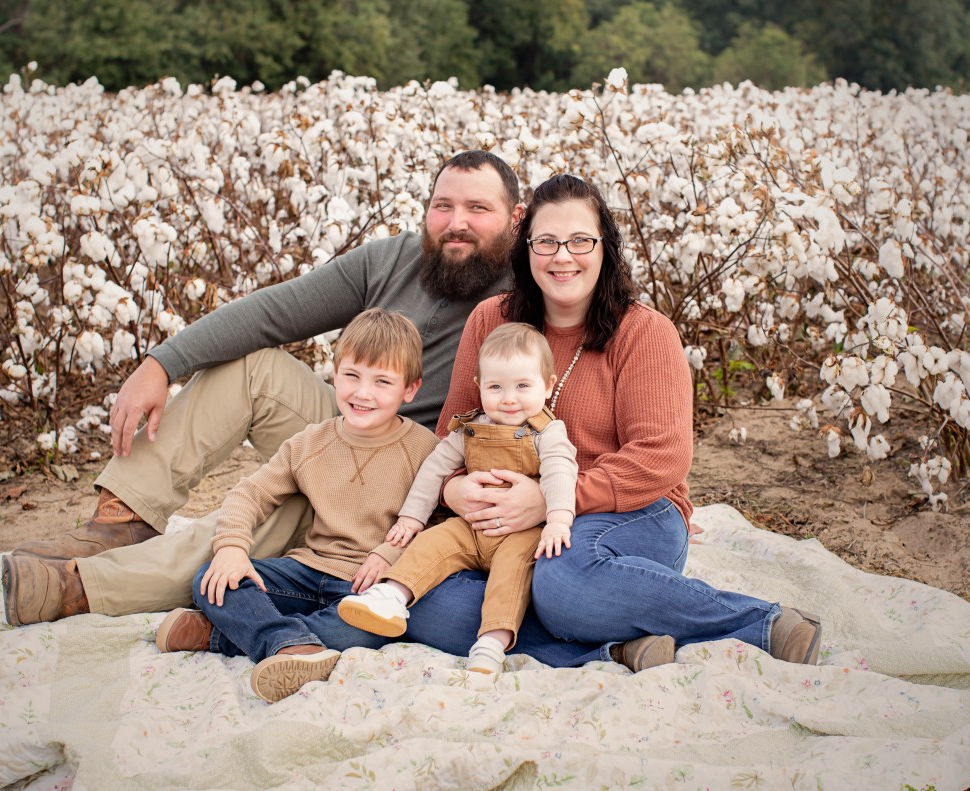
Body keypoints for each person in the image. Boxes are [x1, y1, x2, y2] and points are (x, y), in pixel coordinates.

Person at [0, 150, 524, 626]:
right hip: (354, 422)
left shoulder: (530, 287)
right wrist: (161, 363)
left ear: (516, 218)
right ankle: (121, 521)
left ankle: (83, 587)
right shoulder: (393, 259)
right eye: (442, 206)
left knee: (289, 506)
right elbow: (274, 311)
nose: (456, 223)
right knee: (255, 367)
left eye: (478, 208)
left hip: (419, 473)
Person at [400, 174, 823, 668]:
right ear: (526, 249)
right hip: (507, 523)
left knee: (563, 582)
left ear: (605, 247)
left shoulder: (644, 332)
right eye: (546, 241)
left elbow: (660, 457)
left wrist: (550, 500)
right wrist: (454, 489)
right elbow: (454, 431)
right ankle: (620, 648)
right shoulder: (492, 320)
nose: (563, 256)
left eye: (580, 240)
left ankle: (761, 623)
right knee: (424, 600)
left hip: (632, 512)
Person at [152, 309, 439, 704]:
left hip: (368, 588)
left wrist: (390, 554)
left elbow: (440, 525)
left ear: (410, 389)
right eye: (352, 376)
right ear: (334, 374)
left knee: (366, 630)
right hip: (305, 572)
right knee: (210, 578)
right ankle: (292, 643)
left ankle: (222, 636)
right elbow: (249, 493)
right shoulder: (310, 443)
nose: (362, 393)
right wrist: (232, 548)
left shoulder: (424, 450)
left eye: (382, 382)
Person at [336, 322, 579, 676]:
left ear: (548, 385)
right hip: (470, 525)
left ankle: (491, 643)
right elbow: (435, 467)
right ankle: (392, 595)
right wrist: (412, 517)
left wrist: (558, 519)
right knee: (431, 543)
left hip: (520, 532)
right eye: (495, 387)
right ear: (479, 386)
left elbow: (560, 470)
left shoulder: (547, 432)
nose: (508, 398)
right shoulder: (471, 428)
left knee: (511, 576)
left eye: (522, 386)